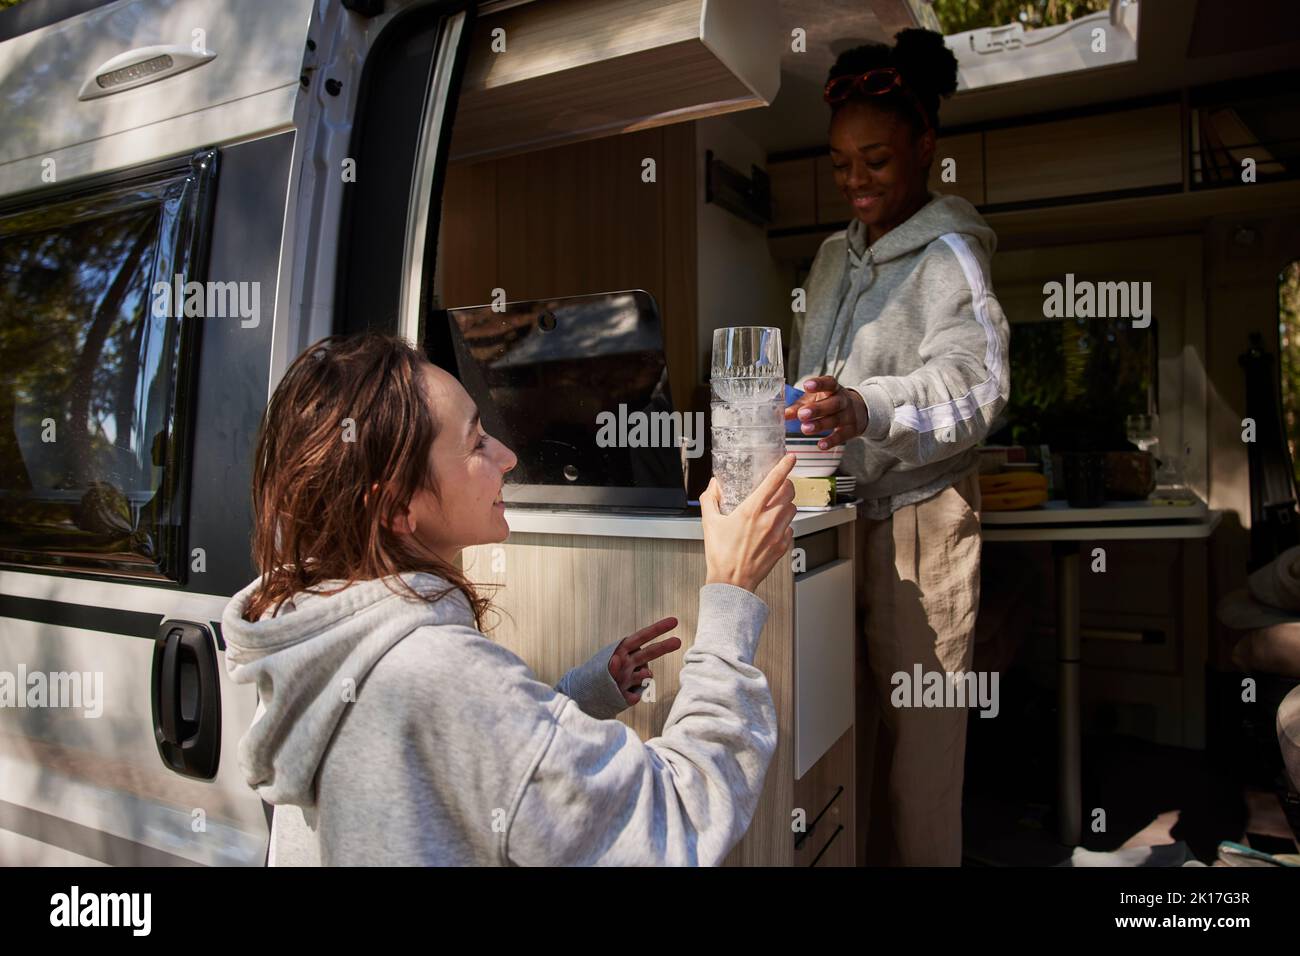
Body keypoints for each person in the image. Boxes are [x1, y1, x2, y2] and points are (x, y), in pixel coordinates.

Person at [221, 332, 798, 865]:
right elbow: (675, 821)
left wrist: (578, 696)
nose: (507, 457)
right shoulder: (437, 675)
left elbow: (464, 759)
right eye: (476, 443)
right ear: (398, 506)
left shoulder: (313, 631)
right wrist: (731, 594)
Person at [786, 28, 1010, 866]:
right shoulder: (828, 258)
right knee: (837, 742)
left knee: (920, 758)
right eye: (841, 164)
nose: (855, 181)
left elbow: (976, 386)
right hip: (832, 519)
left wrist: (864, 407)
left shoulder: (951, 257)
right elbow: (815, 385)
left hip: (922, 522)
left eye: (875, 160)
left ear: (925, 146)